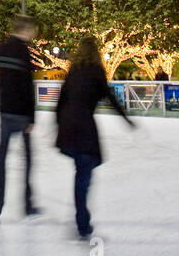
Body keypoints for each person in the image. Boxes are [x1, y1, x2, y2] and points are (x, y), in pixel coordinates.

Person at [55, 36, 135, 240]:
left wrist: (57, 126)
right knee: (83, 175)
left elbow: (61, 100)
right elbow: (110, 96)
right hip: (83, 129)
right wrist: (126, 119)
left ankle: (81, 217)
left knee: (81, 173)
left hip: (68, 128)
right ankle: (82, 220)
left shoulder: (73, 72)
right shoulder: (96, 72)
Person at [0, 15, 40, 220]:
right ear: (26, 30)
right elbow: (27, 87)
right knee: (27, 159)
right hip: (21, 113)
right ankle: (27, 203)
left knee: (1, 158)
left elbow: (0, 79)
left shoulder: (2, 47)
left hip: (5, 112)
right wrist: (31, 118)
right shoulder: (23, 52)